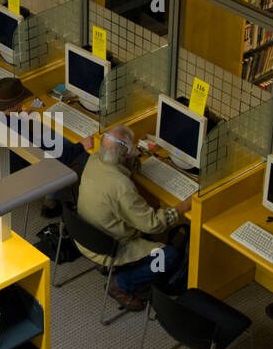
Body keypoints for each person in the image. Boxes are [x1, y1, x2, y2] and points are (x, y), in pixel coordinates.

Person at [75, 124, 191, 311]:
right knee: (168, 256)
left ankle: (113, 269)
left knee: (144, 211)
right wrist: (184, 205)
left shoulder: (95, 159)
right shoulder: (122, 186)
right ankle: (122, 284)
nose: (135, 150)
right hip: (112, 246)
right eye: (132, 148)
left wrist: (133, 160)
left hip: (89, 237)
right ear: (123, 154)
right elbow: (153, 225)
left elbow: (121, 175)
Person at [0, 77, 92, 216]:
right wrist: (81, 146)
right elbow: (58, 157)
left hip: (4, 167)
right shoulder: (19, 133)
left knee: (56, 135)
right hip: (27, 174)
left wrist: (19, 118)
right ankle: (55, 201)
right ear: (14, 106)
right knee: (80, 147)